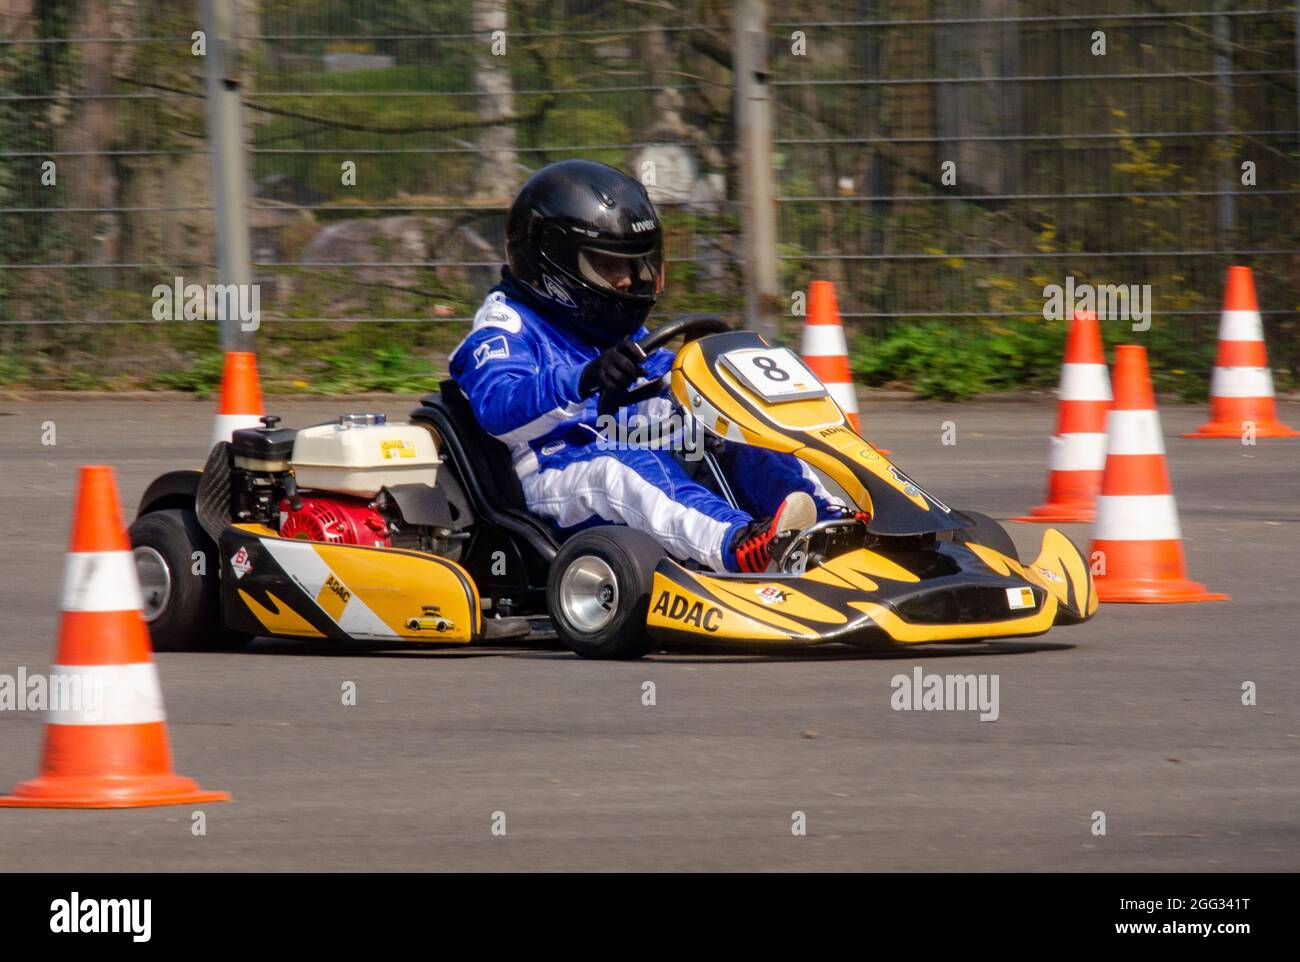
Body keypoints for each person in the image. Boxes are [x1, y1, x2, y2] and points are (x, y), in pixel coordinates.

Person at [449, 159, 844, 573]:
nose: (627, 281)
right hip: (553, 469)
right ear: (554, 264)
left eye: (635, 265)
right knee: (624, 467)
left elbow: (655, 379)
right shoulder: (504, 327)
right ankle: (739, 545)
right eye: (609, 266)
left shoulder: (604, 325)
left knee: (732, 432)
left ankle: (823, 521)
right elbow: (499, 409)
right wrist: (585, 378)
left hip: (629, 439)